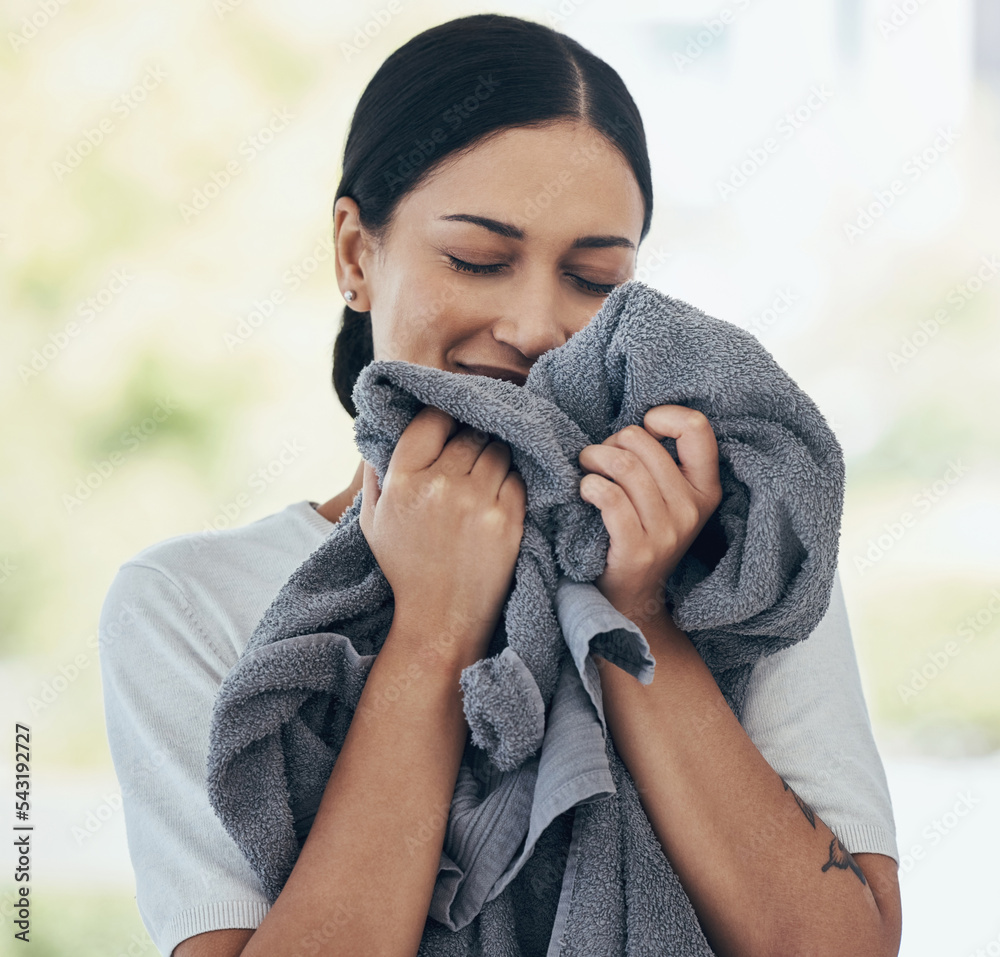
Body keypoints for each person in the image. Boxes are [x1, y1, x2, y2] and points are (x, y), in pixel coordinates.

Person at [98, 13, 902, 957]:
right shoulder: (188, 603)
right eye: (478, 260)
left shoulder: (739, 550)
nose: (534, 325)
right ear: (356, 254)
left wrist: (638, 614)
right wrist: (431, 633)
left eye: (593, 279)